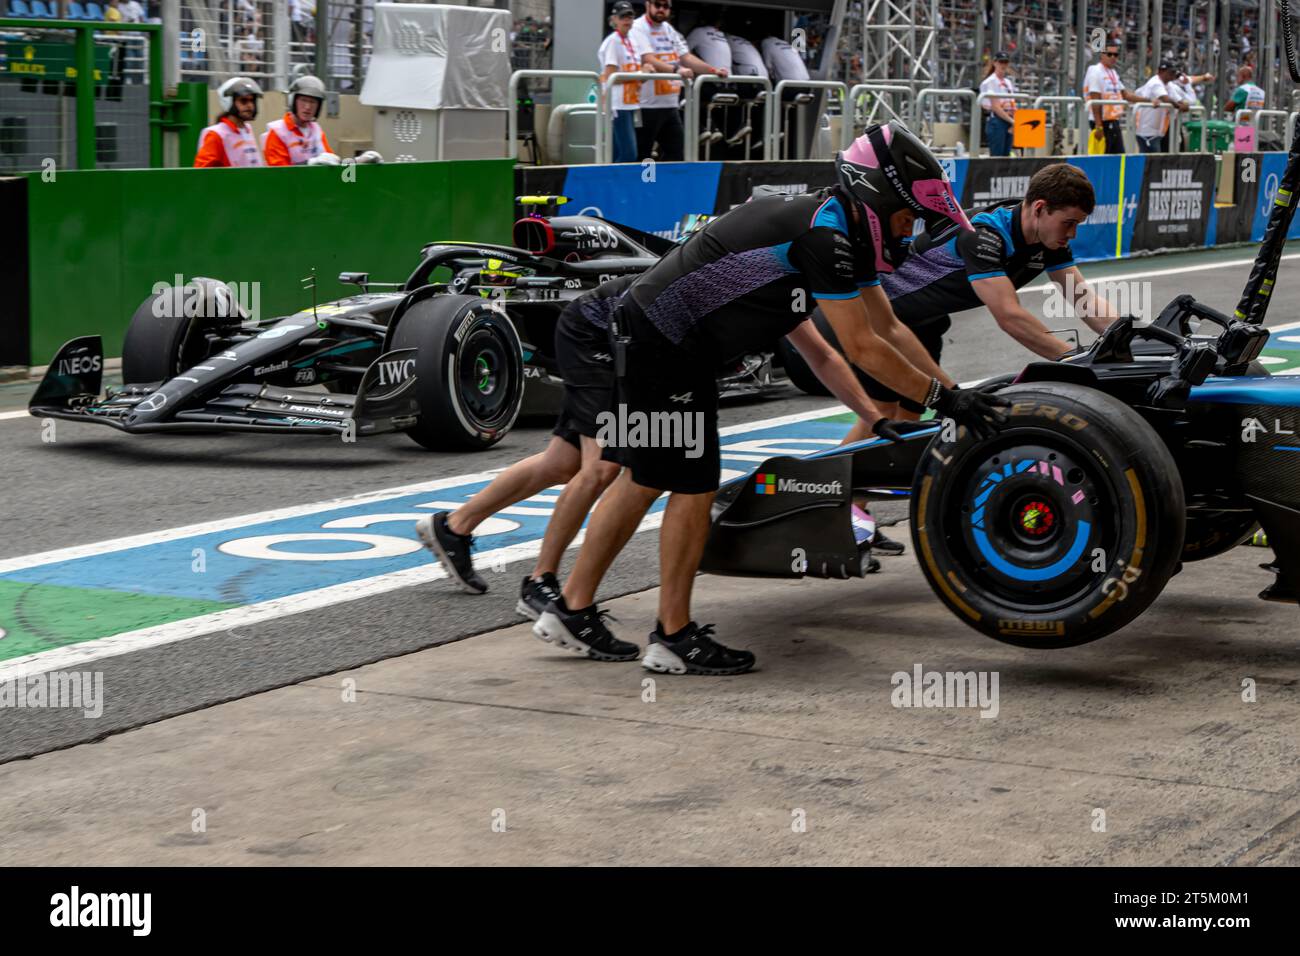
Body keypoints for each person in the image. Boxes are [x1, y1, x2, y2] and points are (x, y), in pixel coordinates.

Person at [531, 124, 1008, 675]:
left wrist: (947, 395)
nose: (910, 230)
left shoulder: (835, 224)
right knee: (690, 483)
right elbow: (860, 346)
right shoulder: (824, 234)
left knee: (643, 478)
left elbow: (890, 329)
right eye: (908, 217)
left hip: (656, 339)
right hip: (662, 344)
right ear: (880, 198)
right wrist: (944, 403)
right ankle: (672, 635)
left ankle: (573, 606)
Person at [830, 164, 1118, 436]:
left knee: (911, 417)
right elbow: (1009, 316)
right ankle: (833, 485)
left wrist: (1131, 336)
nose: (1072, 233)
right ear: (1040, 208)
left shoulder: (1048, 238)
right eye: (1068, 223)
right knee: (883, 413)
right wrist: (1075, 361)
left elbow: (1084, 299)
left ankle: (891, 485)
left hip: (925, 327)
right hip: (877, 321)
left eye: (1077, 224)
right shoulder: (984, 235)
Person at [629, 0, 728, 161]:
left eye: (666, 6)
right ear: (648, 4)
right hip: (646, 105)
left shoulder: (668, 29)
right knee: (643, 156)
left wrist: (713, 70)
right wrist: (677, 70)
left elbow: (686, 57)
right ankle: (644, 184)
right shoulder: (638, 27)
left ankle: (663, 185)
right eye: (657, 4)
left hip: (670, 105)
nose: (661, 9)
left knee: (677, 154)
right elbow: (648, 59)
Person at [1083, 42, 1151, 154]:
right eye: (1109, 54)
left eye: (1116, 55)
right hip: (1102, 121)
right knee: (1103, 157)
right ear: (1102, 55)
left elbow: (1126, 95)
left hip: (1113, 120)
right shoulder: (1095, 70)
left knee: (1118, 155)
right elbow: (1095, 99)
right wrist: (1098, 125)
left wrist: (1149, 100)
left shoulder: (1113, 72)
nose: (1113, 57)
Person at [598, 2, 641, 164]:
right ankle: (616, 185)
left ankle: (608, 185)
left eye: (630, 15)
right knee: (629, 153)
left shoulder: (631, 40)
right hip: (618, 105)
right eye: (623, 16)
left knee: (616, 152)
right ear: (614, 19)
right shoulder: (613, 41)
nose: (627, 19)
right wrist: (640, 74)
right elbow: (611, 75)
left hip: (630, 104)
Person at [194, 77, 265, 167]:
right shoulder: (215, 134)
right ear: (229, 101)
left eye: (252, 100)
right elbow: (203, 173)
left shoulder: (247, 129)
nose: (250, 105)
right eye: (243, 101)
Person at [263, 74, 333, 166]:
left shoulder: (316, 130)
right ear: (293, 101)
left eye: (313, 102)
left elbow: (329, 158)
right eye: (303, 100)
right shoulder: (278, 132)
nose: (308, 107)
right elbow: (279, 173)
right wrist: (309, 163)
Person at [1133, 61, 1188, 153]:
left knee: (1158, 161)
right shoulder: (1155, 83)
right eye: (1171, 72)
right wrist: (1179, 106)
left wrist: (1183, 105)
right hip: (1147, 131)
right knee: (1149, 162)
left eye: (1174, 72)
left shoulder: (1168, 84)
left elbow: (1178, 100)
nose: (1173, 75)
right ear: (1161, 71)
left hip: (1158, 131)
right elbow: (1165, 99)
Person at [979, 51, 1017, 157]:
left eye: (1005, 62)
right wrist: (1012, 121)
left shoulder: (1008, 82)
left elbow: (1012, 103)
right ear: (995, 63)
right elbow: (995, 107)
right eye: (1001, 62)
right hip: (997, 121)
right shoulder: (990, 82)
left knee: (1006, 154)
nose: (1003, 65)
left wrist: (1013, 120)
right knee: (997, 156)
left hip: (1009, 120)